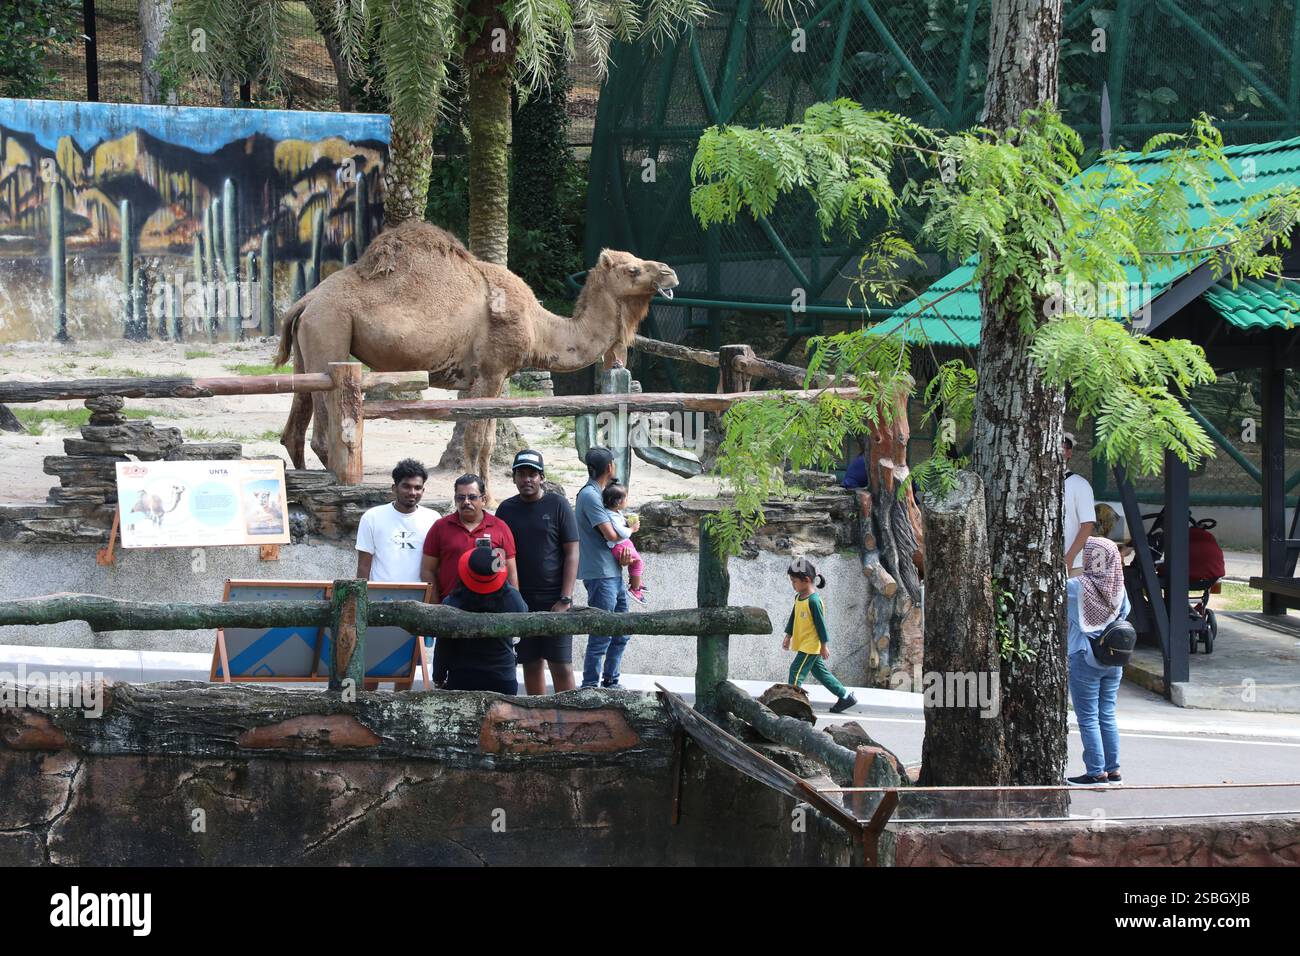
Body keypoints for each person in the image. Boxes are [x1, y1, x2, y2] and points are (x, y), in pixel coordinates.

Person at [495, 449, 580, 695]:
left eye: (532, 474)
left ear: (542, 477)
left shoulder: (558, 504)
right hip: (520, 599)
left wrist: (565, 598)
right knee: (530, 664)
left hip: (555, 598)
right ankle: (537, 718)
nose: (527, 479)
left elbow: (572, 552)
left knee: (561, 665)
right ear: (513, 478)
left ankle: (569, 717)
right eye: (521, 474)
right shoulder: (506, 509)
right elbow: (499, 556)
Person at [1066, 536, 1130, 786]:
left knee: (1088, 717)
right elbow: (1125, 614)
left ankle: (1095, 772)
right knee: (1107, 714)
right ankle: (1113, 771)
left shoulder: (1076, 587)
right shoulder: (1119, 588)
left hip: (1084, 657)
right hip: (1113, 660)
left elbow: (1051, 586)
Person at [575, 447, 635, 689]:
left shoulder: (600, 494)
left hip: (612, 572)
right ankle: (590, 686)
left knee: (622, 630)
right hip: (601, 574)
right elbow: (611, 533)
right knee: (601, 633)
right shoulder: (590, 496)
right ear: (610, 467)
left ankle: (611, 681)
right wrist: (631, 531)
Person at [432, 545, 527, 694]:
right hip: (502, 679)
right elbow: (524, 613)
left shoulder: (452, 603)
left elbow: (443, 646)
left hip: (461, 678)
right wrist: (502, 582)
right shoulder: (511, 599)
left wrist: (438, 676)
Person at [421, 474, 517, 602]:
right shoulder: (440, 527)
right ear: (455, 500)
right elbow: (428, 570)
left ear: (483, 500)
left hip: (492, 608)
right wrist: (434, 608)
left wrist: (514, 607)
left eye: (472, 497)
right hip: (451, 606)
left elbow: (511, 574)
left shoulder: (500, 527)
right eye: (461, 497)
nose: (466, 502)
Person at [782, 557, 857, 713]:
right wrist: (788, 636)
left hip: (811, 645)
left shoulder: (814, 601)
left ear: (807, 580)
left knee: (795, 671)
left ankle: (791, 703)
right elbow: (793, 617)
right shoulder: (799, 598)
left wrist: (823, 646)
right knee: (820, 673)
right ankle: (845, 696)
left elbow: (821, 626)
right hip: (804, 643)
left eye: (794, 581)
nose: (792, 584)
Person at [355, 459, 440, 583]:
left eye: (417, 488)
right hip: (380, 595)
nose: (412, 493)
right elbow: (363, 566)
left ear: (423, 491)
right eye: (406, 486)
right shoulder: (372, 517)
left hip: (421, 596)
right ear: (394, 488)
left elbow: (436, 565)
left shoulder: (433, 519)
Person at [601, 482, 647, 604]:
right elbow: (622, 532)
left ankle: (635, 581)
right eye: (626, 498)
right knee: (637, 563)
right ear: (618, 502)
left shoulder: (614, 512)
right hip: (619, 545)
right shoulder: (612, 515)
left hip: (623, 543)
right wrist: (632, 529)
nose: (627, 500)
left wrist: (627, 521)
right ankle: (635, 589)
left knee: (636, 562)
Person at [1063, 432, 1096, 576]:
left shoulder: (1080, 484)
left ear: (1069, 453)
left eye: (1061, 448)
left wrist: (1069, 558)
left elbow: (1087, 525)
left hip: (1072, 565)